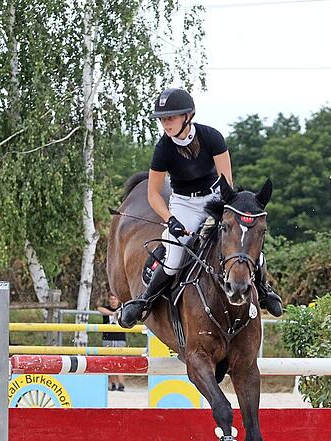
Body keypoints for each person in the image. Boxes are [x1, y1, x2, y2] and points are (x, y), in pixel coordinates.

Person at [118, 87, 282, 328]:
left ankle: (264, 289)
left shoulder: (211, 137)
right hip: (183, 203)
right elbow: (153, 194)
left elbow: (227, 183)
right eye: (162, 119)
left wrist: (227, 213)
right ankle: (144, 300)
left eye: (170, 117)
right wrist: (171, 219)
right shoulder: (163, 149)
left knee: (241, 240)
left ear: (188, 116)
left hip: (216, 198)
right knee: (175, 256)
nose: (165, 123)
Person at [97, 293, 127, 392]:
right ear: (109, 300)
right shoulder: (106, 309)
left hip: (120, 339)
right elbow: (99, 309)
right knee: (110, 361)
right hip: (108, 338)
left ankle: (121, 384)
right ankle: (112, 383)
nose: (113, 301)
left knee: (120, 362)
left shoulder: (122, 309)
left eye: (115, 299)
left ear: (118, 300)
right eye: (111, 299)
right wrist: (112, 313)